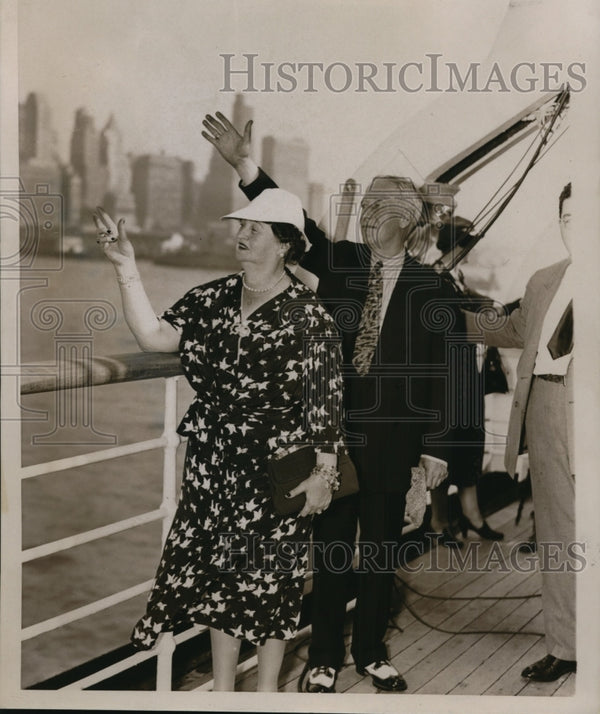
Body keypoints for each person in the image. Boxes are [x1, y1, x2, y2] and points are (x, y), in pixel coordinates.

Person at [201, 112, 457, 693]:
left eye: (378, 210)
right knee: (333, 548)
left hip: (394, 439)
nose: (366, 216)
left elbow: (443, 373)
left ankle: (369, 650)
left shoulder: (431, 287)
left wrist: (437, 451)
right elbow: (293, 219)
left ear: (407, 221)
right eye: (364, 206)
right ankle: (321, 659)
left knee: (380, 551)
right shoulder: (338, 260)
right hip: (332, 437)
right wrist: (244, 164)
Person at [92, 190, 348, 693]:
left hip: (277, 467)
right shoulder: (212, 297)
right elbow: (154, 337)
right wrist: (126, 267)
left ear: (286, 244)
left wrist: (324, 476)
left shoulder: (310, 316)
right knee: (219, 576)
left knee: (272, 578)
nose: (242, 234)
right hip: (213, 463)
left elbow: (326, 403)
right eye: (242, 226)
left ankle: (268, 690)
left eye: (257, 229)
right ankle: (225, 693)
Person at [464, 182, 576, 683]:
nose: (577, 226)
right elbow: (511, 330)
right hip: (550, 411)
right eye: (567, 216)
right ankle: (567, 645)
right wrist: (437, 315)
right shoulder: (545, 280)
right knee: (559, 535)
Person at [427, 217, 504, 547]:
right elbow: (456, 312)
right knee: (446, 446)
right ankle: (438, 522)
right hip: (444, 375)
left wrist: (497, 306)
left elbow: (474, 301)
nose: (470, 252)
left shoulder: (455, 276)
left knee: (471, 442)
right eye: (466, 245)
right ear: (454, 246)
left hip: (465, 373)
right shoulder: (434, 277)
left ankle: (472, 516)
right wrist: (487, 307)